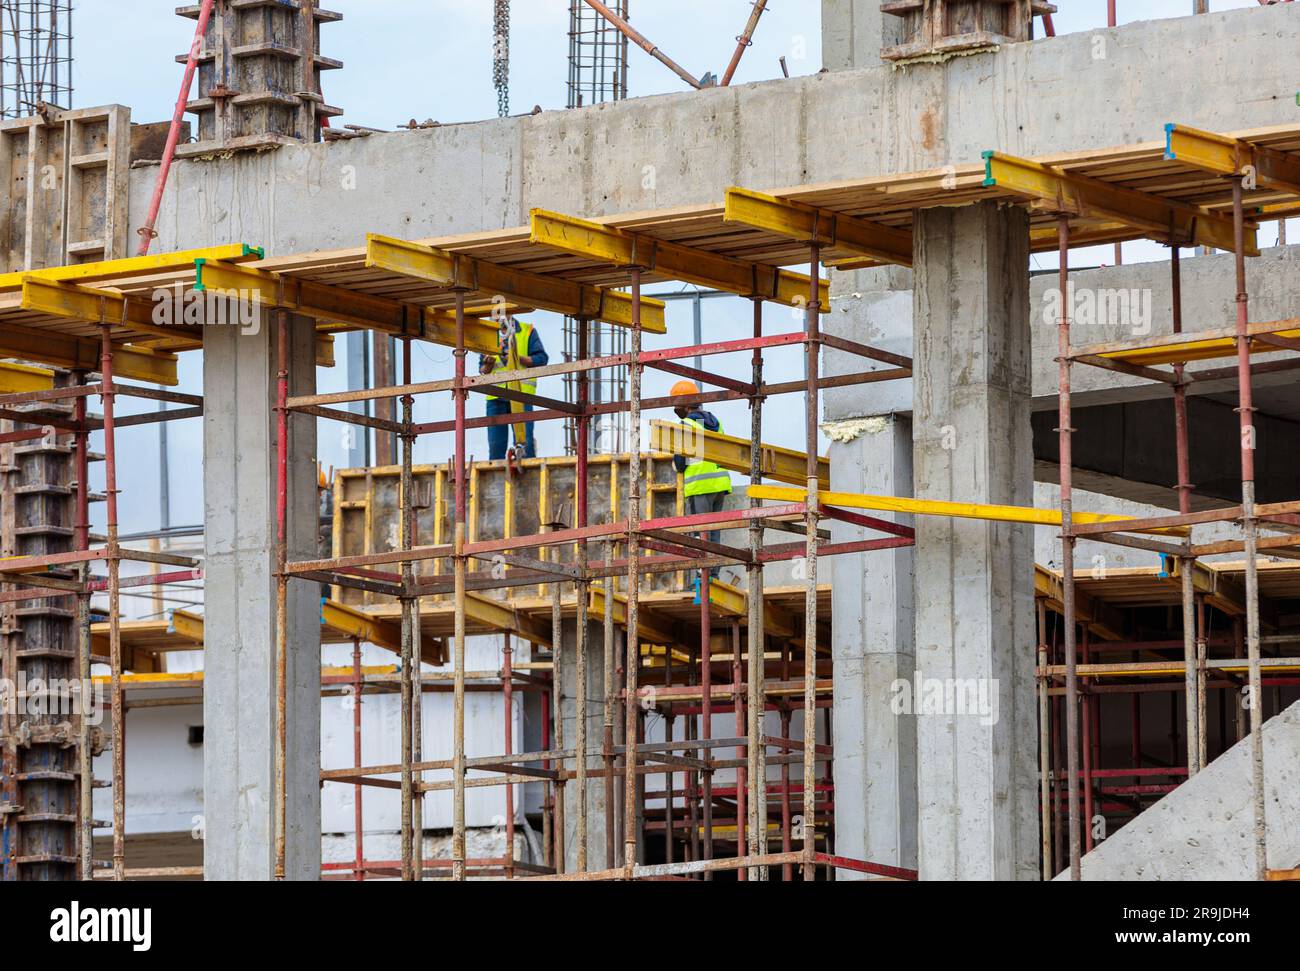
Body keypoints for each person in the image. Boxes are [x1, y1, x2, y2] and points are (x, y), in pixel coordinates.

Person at [669, 381, 732, 568]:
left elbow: (680, 462)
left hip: (699, 485)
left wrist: (677, 464)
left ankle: (703, 576)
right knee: (714, 533)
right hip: (719, 484)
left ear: (683, 405)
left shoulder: (686, 424)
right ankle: (713, 574)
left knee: (700, 533)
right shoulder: (715, 422)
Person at [480, 314, 548, 461]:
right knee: (496, 447)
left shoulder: (526, 331)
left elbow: (542, 359)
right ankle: (496, 476)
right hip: (496, 397)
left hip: (521, 395)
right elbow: (483, 369)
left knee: (524, 444)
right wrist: (488, 364)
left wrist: (518, 357)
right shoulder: (488, 333)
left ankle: (529, 471)